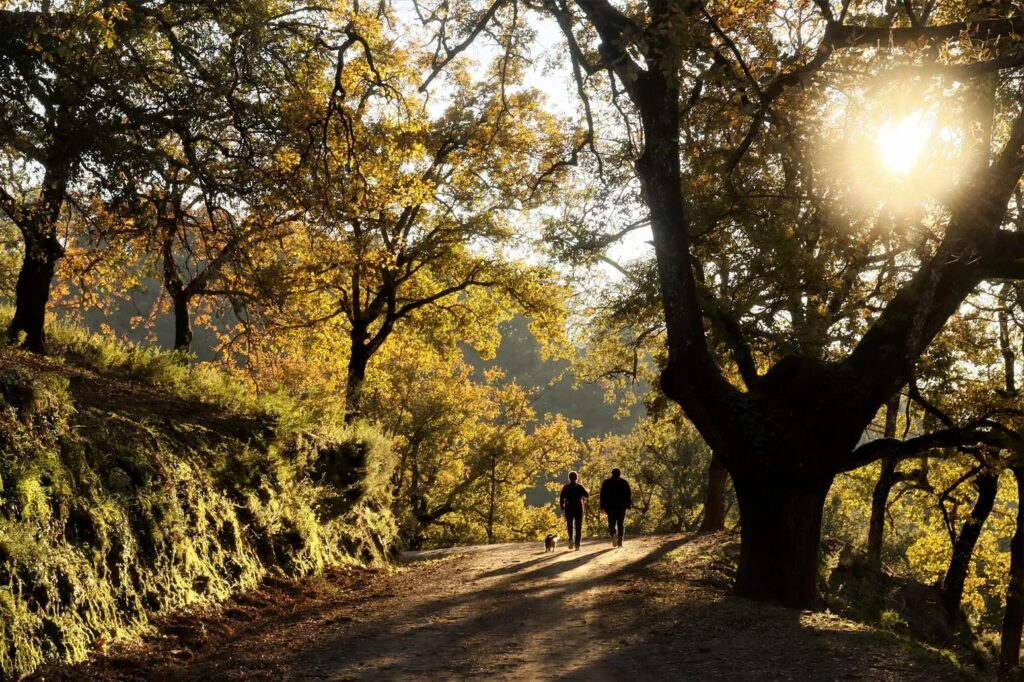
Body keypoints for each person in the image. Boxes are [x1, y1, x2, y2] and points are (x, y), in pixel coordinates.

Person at [599, 468, 632, 548]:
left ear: (612, 473)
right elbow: (629, 494)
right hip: (621, 506)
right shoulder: (624, 482)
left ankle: (613, 534)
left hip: (610, 507)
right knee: (621, 524)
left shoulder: (606, 483)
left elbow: (602, 495)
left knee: (611, 523)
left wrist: (602, 507)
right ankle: (620, 542)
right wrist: (628, 505)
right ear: (619, 474)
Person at [559, 471, 589, 551]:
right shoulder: (579, 486)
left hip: (568, 507)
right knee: (578, 526)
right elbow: (587, 495)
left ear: (569, 478)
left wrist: (562, 507)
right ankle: (577, 545)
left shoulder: (565, 487)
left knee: (570, 525)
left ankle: (571, 540)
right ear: (576, 477)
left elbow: (561, 498)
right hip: (578, 507)